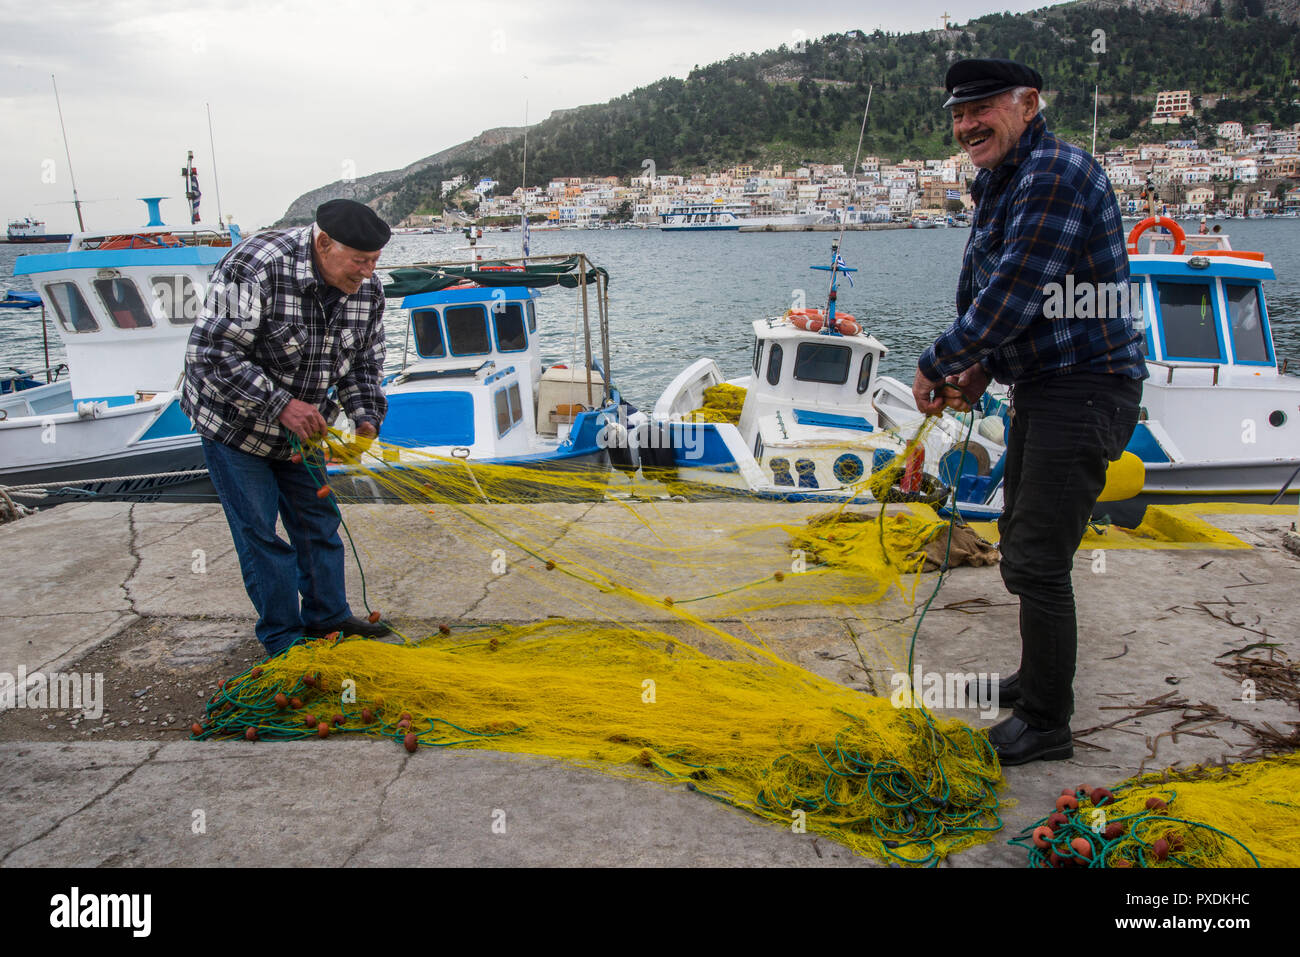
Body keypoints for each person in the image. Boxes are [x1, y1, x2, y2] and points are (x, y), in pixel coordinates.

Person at [911, 59, 1147, 766]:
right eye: (957, 113)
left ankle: (1047, 720)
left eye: (982, 108)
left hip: (1085, 388)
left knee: (1039, 558)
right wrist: (979, 365)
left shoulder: (1053, 173)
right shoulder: (1005, 178)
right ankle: (1035, 680)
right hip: (1048, 387)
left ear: (1028, 103)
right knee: (1020, 538)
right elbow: (1023, 307)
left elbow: (1011, 293)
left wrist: (935, 361)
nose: (966, 125)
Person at [181, 199, 394, 657]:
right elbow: (210, 355)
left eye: (375, 261)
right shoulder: (254, 266)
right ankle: (283, 638)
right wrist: (280, 406)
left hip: (304, 431)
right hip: (234, 427)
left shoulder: (368, 293)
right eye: (359, 260)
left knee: (318, 521)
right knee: (260, 532)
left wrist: (365, 417)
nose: (367, 272)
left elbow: (363, 366)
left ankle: (328, 618)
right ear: (323, 243)